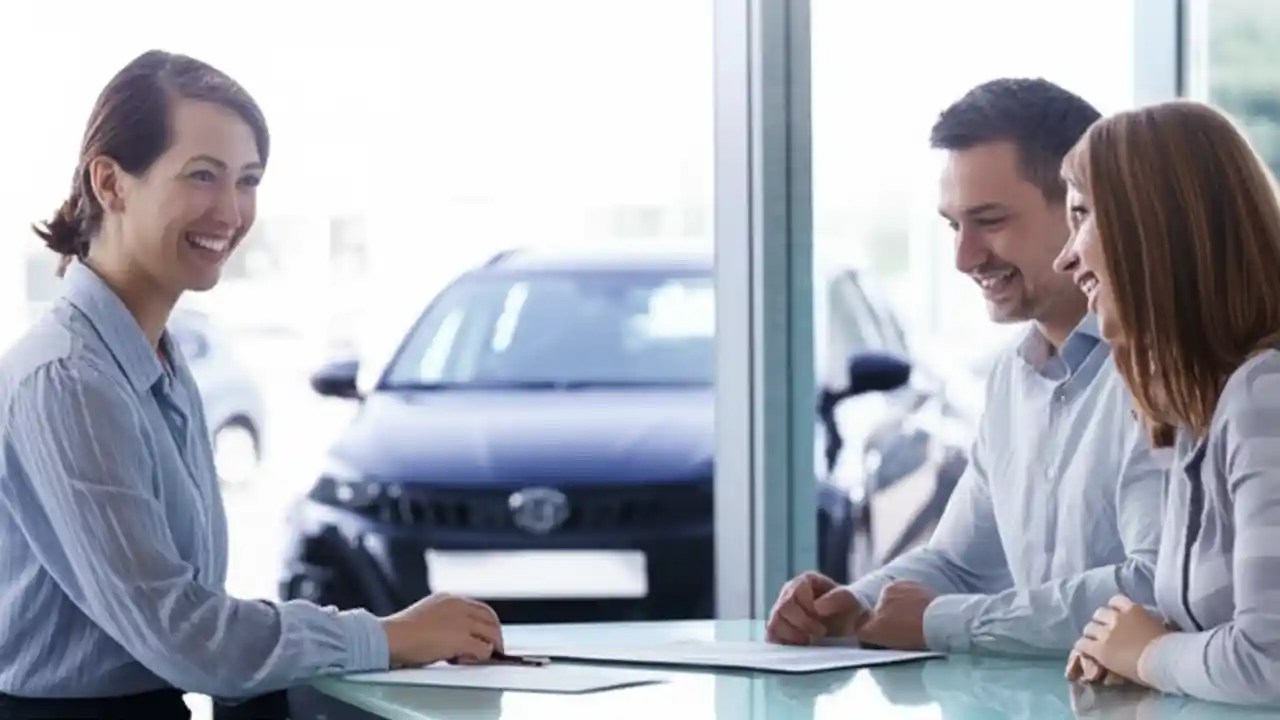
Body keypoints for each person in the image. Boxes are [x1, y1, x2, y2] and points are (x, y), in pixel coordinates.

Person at [0, 51, 504, 719]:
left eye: (248, 180)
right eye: (202, 176)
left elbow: (192, 618)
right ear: (112, 184)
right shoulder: (69, 380)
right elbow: (182, 633)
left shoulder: (159, 363)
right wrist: (384, 636)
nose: (231, 211)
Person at [767, 78, 1164, 656]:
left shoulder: (1167, 372)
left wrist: (946, 622)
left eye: (991, 221)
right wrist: (852, 604)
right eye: (954, 225)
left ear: (1082, 211)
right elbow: (960, 563)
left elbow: (1153, 591)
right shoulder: (1013, 377)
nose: (964, 257)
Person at [1058, 101, 1280, 706]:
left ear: (1153, 231)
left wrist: (1148, 653)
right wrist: (1128, 641)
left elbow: (1270, 663)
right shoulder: (1200, 414)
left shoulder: (1266, 395)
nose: (1066, 257)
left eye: (1081, 217)